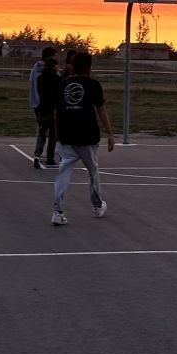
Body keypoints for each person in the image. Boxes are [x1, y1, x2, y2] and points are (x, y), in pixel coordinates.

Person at [50, 50, 114, 224]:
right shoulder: (93, 85)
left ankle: (57, 211)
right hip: (87, 136)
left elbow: (57, 111)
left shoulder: (63, 85)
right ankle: (97, 205)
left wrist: (57, 133)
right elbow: (101, 109)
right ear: (89, 67)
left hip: (67, 135)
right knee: (93, 172)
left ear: (73, 65)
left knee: (63, 173)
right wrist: (109, 133)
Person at [30, 46, 59, 167]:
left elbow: (33, 86)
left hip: (38, 104)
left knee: (42, 131)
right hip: (51, 107)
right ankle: (50, 157)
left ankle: (38, 154)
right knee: (53, 133)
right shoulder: (55, 76)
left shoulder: (35, 70)